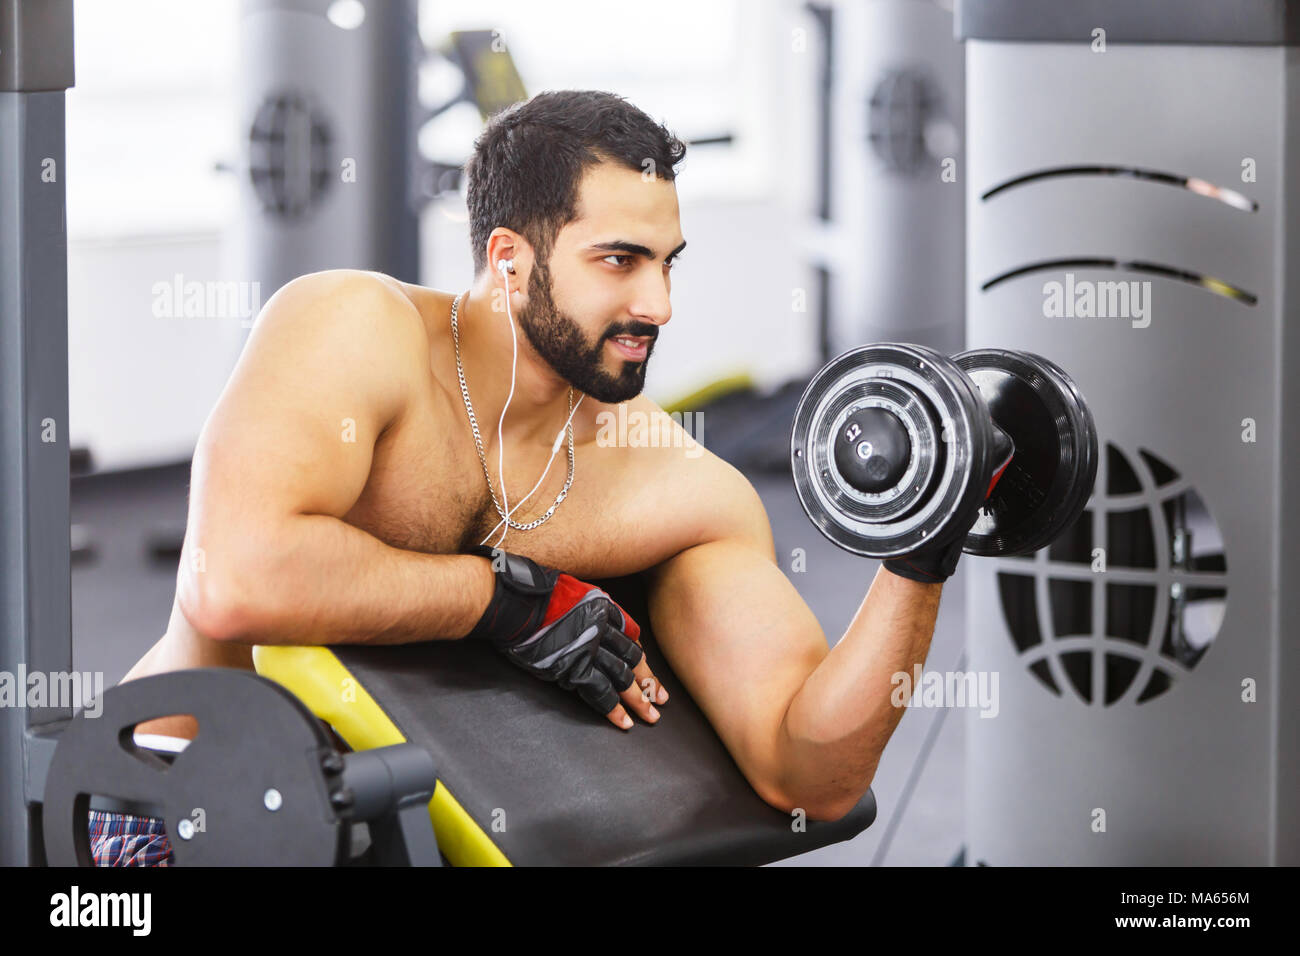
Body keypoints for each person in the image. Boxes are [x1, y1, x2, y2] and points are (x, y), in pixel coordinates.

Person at [92, 89, 987, 865]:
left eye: (667, 262)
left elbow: (809, 775)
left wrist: (922, 553)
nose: (659, 306)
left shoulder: (672, 484)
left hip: (422, 838)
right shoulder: (353, 328)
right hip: (186, 811)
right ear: (510, 259)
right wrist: (506, 601)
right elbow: (234, 581)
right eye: (619, 260)